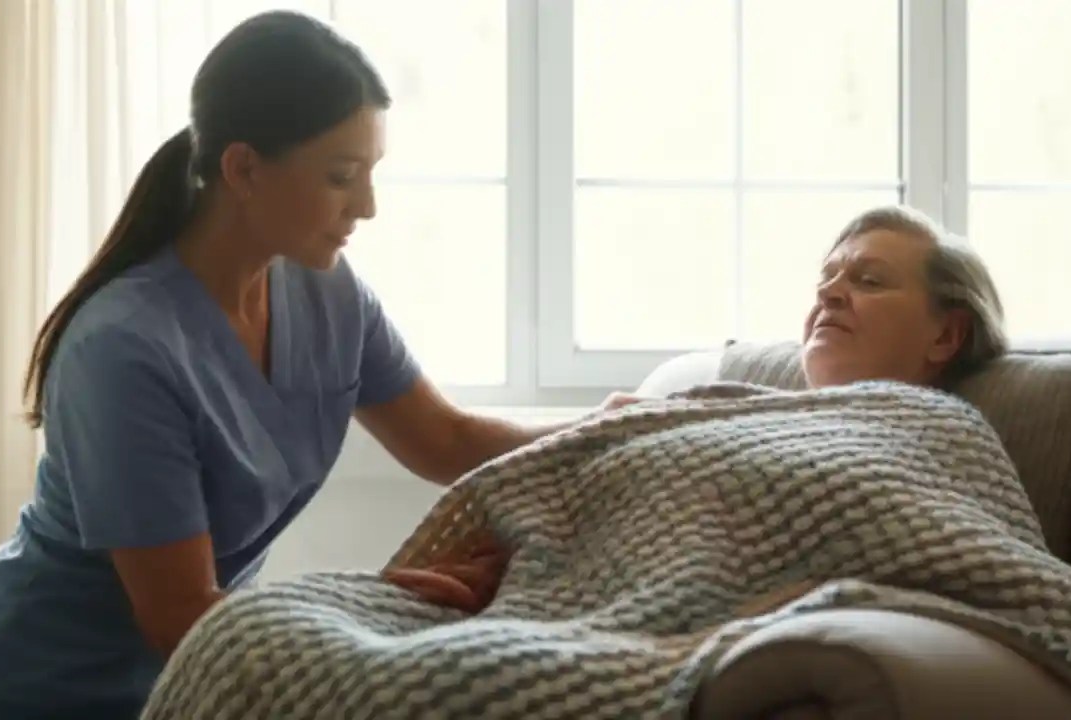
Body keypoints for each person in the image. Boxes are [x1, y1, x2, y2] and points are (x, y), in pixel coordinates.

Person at [0, 12, 635, 720]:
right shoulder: (123, 350)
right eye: (340, 176)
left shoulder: (328, 293)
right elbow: (180, 617)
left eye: (370, 173)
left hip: (183, 686)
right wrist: (364, 604)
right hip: (31, 689)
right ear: (244, 169)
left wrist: (602, 435)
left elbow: (442, 439)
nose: (369, 206)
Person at [385, 203, 1009, 613]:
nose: (831, 293)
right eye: (827, 279)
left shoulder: (943, 436)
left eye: (868, 281)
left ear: (945, 336)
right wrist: (519, 569)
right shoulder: (734, 416)